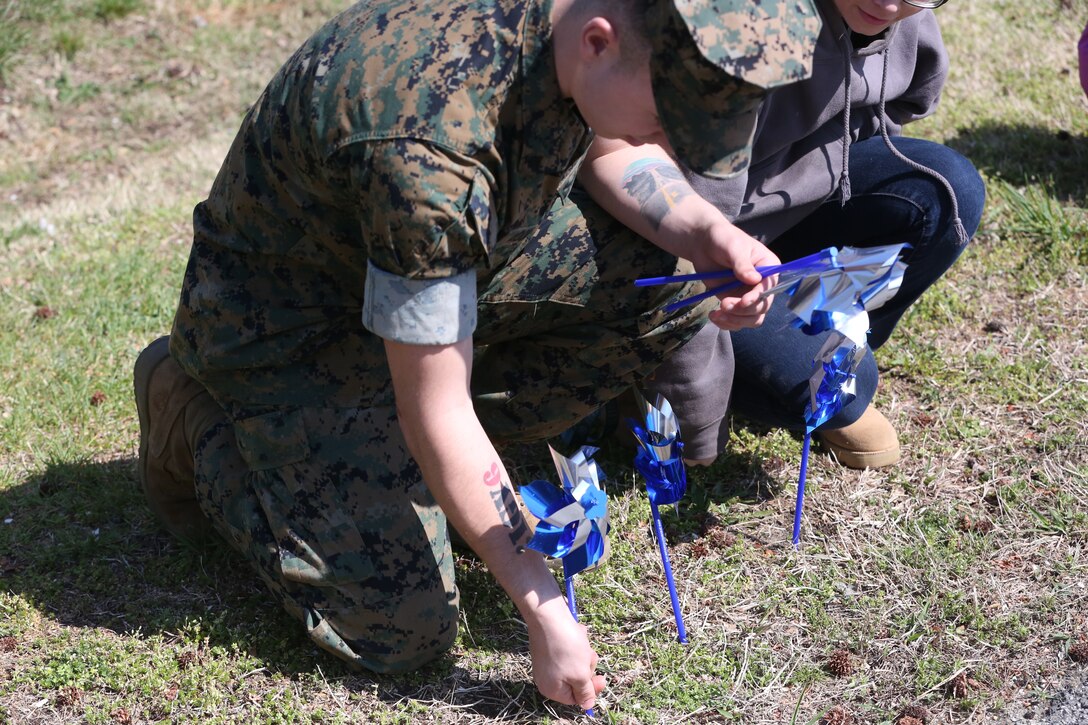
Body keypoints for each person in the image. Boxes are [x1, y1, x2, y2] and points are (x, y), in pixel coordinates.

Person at [133, 0, 821, 712]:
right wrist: (544, 608)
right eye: (670, 116)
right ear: (598, 42)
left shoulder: (581, 35)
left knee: (674, 280)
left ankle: (443, 477)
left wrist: (708, 232)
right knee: (397, 628)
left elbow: (612, 142)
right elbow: (435, 404)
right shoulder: (428, 154)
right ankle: (190, 413)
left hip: (433, 274)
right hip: (289, 329)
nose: (673, 137)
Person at [580, 0, 986, 469]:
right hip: (692, 236)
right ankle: (648, 372)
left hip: (779, 222)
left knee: (947, 189)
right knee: (837, 385)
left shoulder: (903, 18)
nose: (892, 3)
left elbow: (892, 106)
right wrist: (693, 420)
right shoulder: (744, 29)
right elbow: (676, 233)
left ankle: (823, 354)